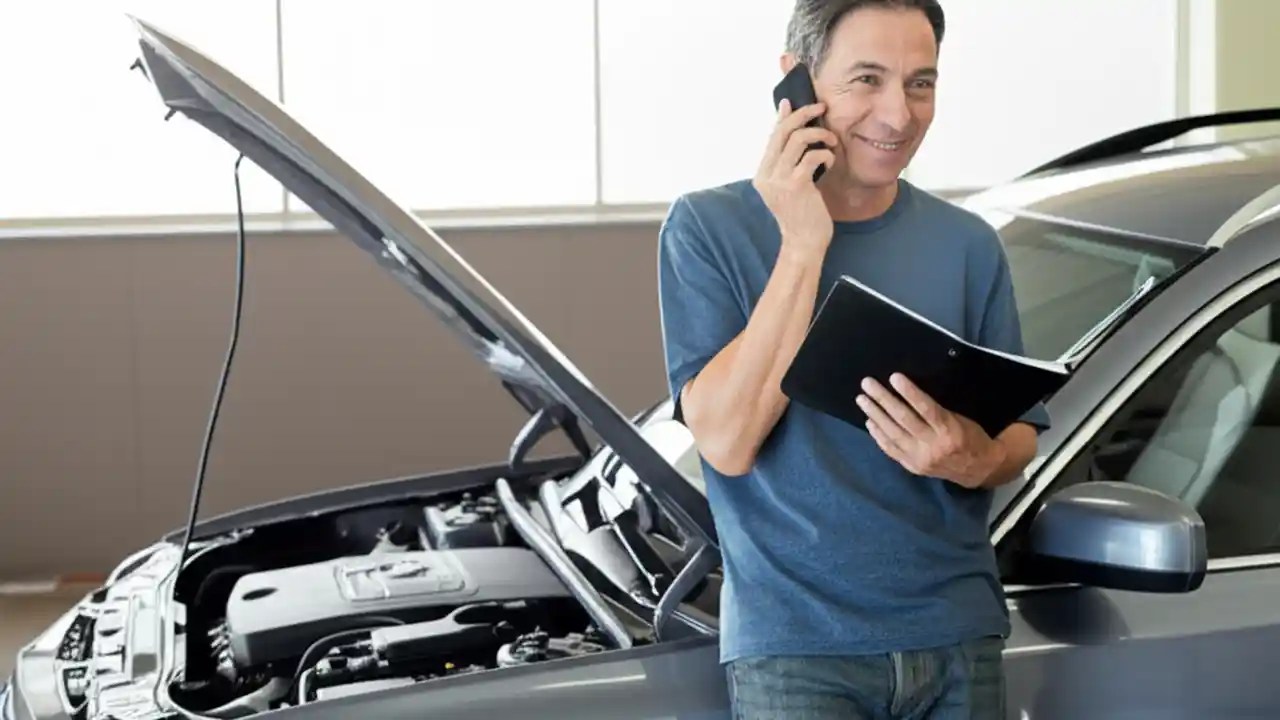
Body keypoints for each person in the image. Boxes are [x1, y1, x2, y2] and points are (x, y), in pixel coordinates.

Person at [656, 1, 1049, 717]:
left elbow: (1019, 434)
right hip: (797, 650)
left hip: (958, 637)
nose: (898, 116)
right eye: (867, 79)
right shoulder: (707, 228)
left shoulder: (969, 244)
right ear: (796, 82)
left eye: (920, 83)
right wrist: (803, 243)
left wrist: (974, 459)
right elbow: (728, 442)